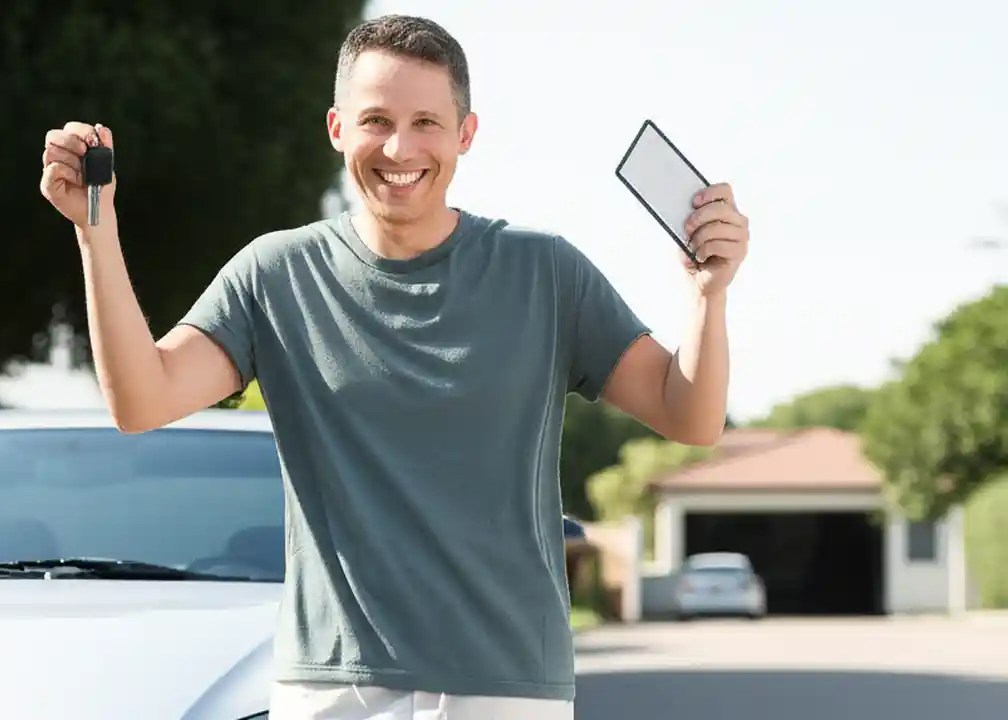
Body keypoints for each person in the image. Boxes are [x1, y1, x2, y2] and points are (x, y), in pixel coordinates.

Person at [39, 14, 748, 720]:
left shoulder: (546, 273)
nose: (400, 147)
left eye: (426, 122)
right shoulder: (275, 274)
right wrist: (96, 233)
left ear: (466, 135)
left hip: (504, 687)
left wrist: (707, 298)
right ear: (337, 129)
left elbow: (689, 416)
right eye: (375, 120)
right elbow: (143, 400)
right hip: (334, 686)